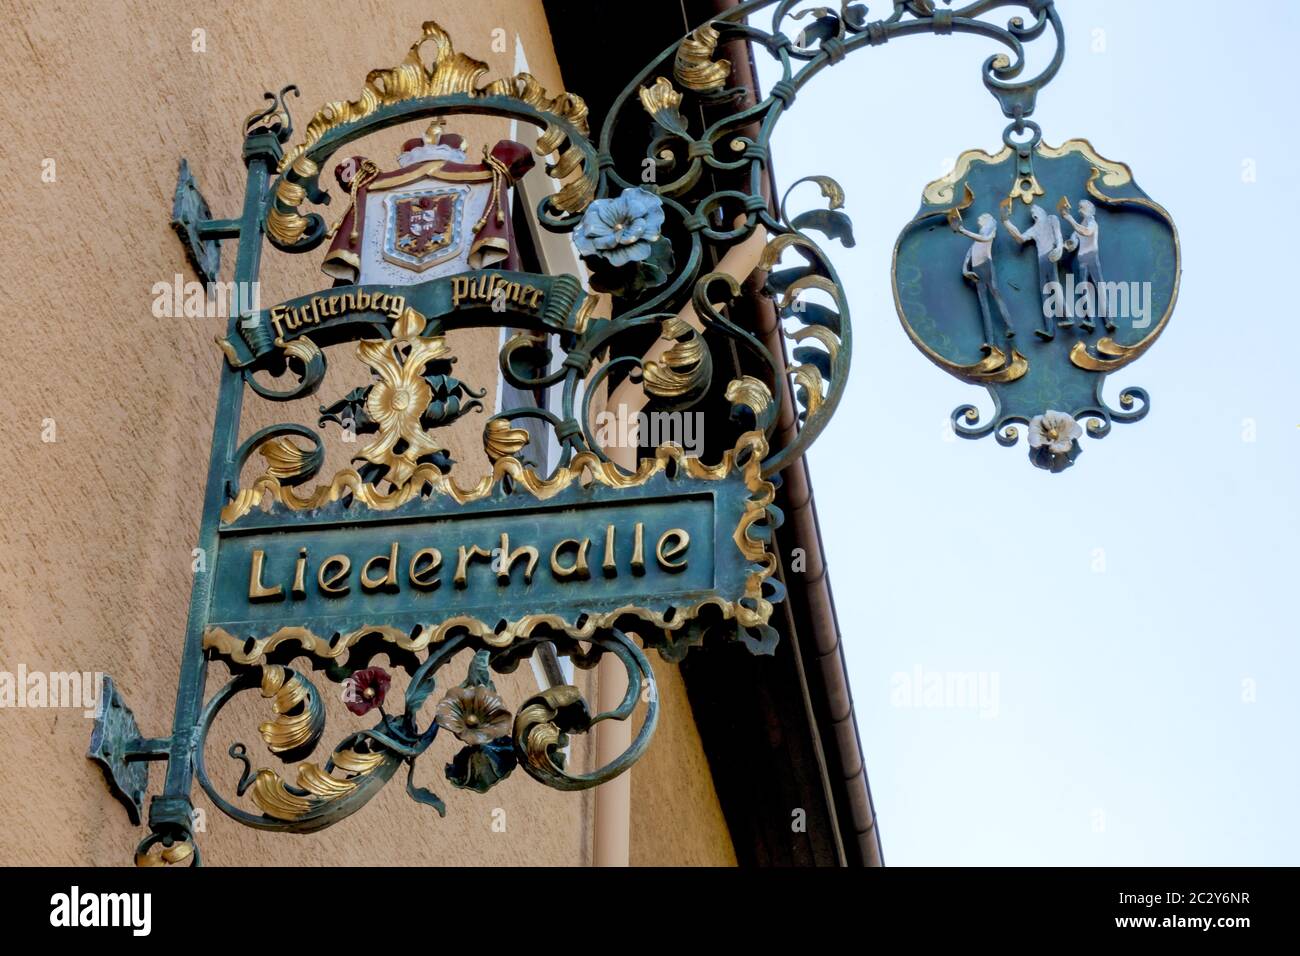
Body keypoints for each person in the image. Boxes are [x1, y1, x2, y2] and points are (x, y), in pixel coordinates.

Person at [950, 210, 1015, 347]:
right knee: (983, 304)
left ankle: (1010, 326)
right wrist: (965, 270)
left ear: (988, 220)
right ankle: (990, 341)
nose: (979, 219)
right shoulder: (976, 241)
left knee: (995, 293)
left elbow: (984, 239)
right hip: (976, 270)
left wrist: (963, 230)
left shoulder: (989, 232)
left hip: (985, 265)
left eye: (982, 218)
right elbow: (969, 255)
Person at [1003, 203, 1065, 340]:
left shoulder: (1051, 219)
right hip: (1041, 259)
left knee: (1054, 285)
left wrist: (1060, 247)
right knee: (1045, 293)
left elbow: (1058, 235)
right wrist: (1007, 222)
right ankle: (1049, 330)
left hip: (1051, 254)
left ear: (1042, 210)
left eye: (1035, 210)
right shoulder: (1034, 229)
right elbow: (1020, 238)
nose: (1033, 214)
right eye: (1031, 213)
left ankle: (1066, 317)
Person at [1061, 198, 1115, 333]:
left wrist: (1069, 219)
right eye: (1079, 208)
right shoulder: (1079, 226)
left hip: (1091, 257)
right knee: (1083, 288)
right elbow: (1073, 243)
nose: (1080, 210)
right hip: (1082, 260)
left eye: (1082, 207)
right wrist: (1068, 245)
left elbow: (1086, 232)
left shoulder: (1091, 223)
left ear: (1091, 210)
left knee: (1099, 286)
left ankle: (1109, 320)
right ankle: (1090, 320)